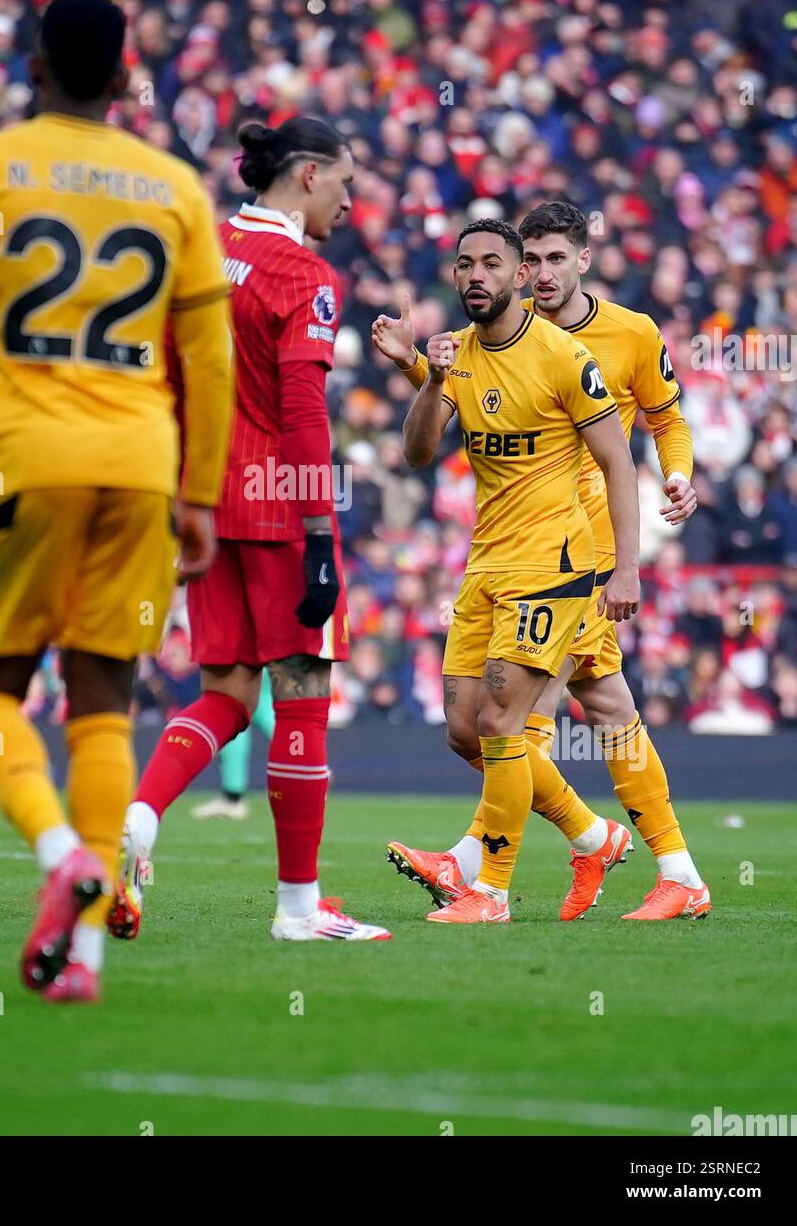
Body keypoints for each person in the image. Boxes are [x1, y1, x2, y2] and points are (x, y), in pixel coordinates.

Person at [0, 0, 234, 1002]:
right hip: (142, 465)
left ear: (34, 67)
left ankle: (56, 855)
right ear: (127, 78)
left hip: (27, 459)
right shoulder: (174, 188)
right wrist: (198, 495)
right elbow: (208, 364)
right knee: (104, 702)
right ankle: (79, 960)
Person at [374, 202, 711, 920]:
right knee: (557, 714)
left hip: (569, 558)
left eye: (555, 258)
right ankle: (633, 854)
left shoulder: (619, 337)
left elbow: (663, 419)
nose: (544, 272)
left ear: (578, 261)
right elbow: (472, 412)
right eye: (533, 258)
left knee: (513, 722)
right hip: (501, 555)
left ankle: (484, 873)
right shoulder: (477, 343)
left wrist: (672, 481)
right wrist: (416, 367)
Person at [108, 117, 390, 942]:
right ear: (306, 175)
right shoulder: (304, 273)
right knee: (303, 694)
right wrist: (320, 535)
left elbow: (158, 376)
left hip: (203, 502)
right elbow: (303, 410)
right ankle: (299, 911)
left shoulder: (201, 247)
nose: (351, 198)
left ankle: (139, 817)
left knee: (227, 693)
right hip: (275, 507)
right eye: (345, 181)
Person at [191, 670, 273, 820]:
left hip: (241, 654)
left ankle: (232, 797)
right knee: (265, 707)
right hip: (269, 654)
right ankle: (310, 766)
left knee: (233, 706)